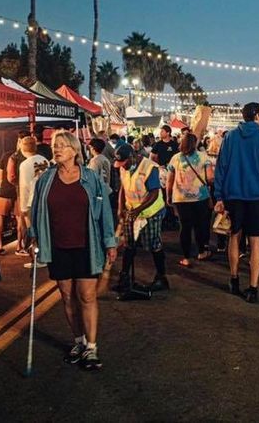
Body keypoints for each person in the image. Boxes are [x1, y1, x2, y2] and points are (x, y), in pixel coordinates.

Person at [30, 130, 116, 369]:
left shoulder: (90, 178)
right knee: (67, 297)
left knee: (87, 296)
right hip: (57, 246)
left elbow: (105, 213)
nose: (57, 149)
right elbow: (35, 211)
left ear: (74, 151)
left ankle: (91, 347)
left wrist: (110, 241)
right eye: (55, 145)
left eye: (62, 146)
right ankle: (78, 341)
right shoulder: (45, 179)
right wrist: (34, 237)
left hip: (87, 246)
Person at [214, 102, 259, 303]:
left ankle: (234, 278)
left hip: (233, 195)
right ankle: (253, 287)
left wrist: (218, 196)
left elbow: (221, 167)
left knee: (234, 237)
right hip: (256, 196)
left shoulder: (230, 137)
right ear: (258, 116)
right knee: (256, 242)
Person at [116, 143, 169, 293]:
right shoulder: (124, 167)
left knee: (154, 244)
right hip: (132, 211)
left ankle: (161, 278)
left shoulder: (149, 167)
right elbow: (123, 188)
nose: (122, 166)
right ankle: (125, 277)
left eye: (124, 162)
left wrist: (139, 209)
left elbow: (154, 193)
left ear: (132, 157)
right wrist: (121, 207)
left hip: (151, 212)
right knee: (129, 243)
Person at [167, 132, 213, 266]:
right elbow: (210, 178)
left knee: (185, 227)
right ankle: (201, 252)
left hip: (180, 198)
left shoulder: (175, 158)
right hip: (200, 197)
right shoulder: (204, 157)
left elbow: (170, 180)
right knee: (200, 225)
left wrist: (169, 195)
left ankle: (186, 257)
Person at [18, 136, 50, 267]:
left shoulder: (25, 165)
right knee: (44, 229)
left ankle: (38, 258)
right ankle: (46, 255)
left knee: (33, 230)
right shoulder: (44, 160)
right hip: (46, 198)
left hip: (32, 201)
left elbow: (24, 186)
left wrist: (23, 207)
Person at [7, 130, 31, 256]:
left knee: (22, 219)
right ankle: (26, 246)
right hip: (34, 192)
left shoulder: (14, 156)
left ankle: (21, 245)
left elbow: (11, 177)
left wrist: (19, 184)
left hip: (21, 193)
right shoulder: (34, 156)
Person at [0, 149, 18, 255]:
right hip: (19, 190)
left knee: (0, 215)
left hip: (5, 190)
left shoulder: (6, 155)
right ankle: (20, 246)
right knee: (20, 218)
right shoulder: (24, 156)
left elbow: (0, 175)